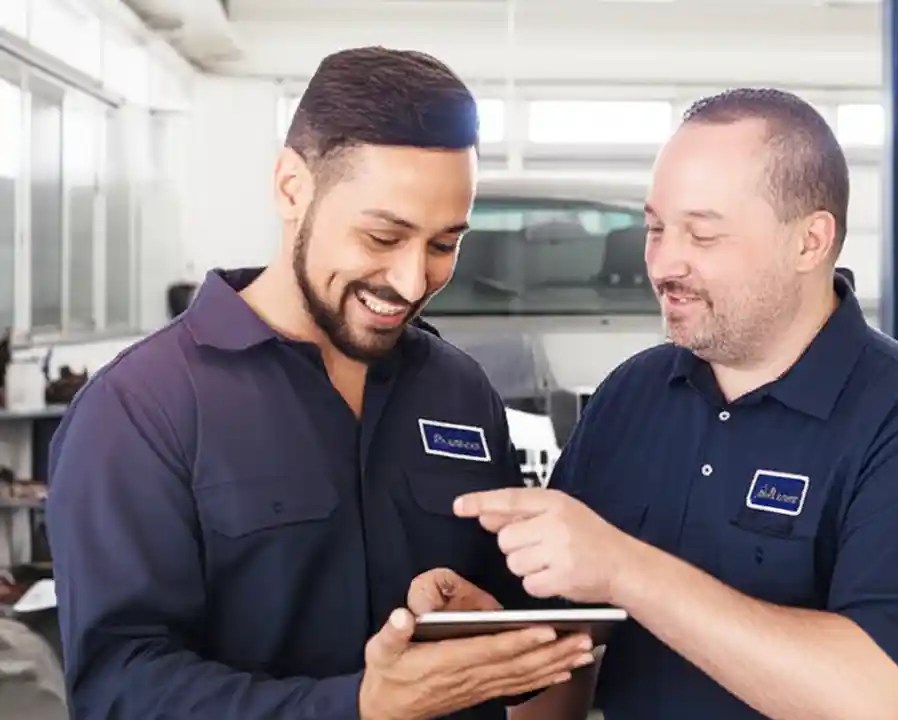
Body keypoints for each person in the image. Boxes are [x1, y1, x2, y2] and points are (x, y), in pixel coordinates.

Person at [45, 47, 594, 720]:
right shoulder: (139, 410)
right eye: (382, 236)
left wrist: (494, 629)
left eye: (445, 244)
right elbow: (118, 691)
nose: (412, 281)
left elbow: (512, 617)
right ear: (290, 187)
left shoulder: (459, 390)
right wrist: (361, 706)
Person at [457, 89, 898, 720]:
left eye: (703, 234)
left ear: (810, 242)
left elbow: (875, 698)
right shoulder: (630, 398)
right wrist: (490, 626)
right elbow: (568, 643)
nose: (664, 263)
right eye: (656, 229)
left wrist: (625, 570)